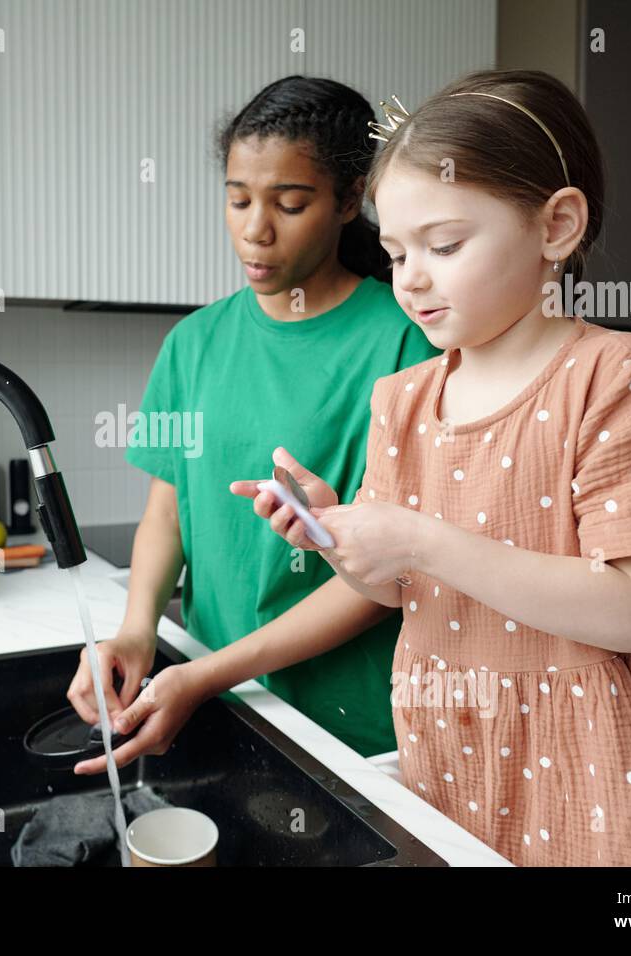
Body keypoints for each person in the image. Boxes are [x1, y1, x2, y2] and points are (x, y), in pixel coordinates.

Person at [244, 69, 631, 866]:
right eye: (397, 251)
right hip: (453, 757)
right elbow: (398, 588)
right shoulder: (400, 401)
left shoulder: (617, 375)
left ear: (557, 227)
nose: (410, 277)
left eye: (444, 246)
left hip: (589, 768)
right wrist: (336, 533)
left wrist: (417, 538)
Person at [66, 75, 439, 769]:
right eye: (237, 199)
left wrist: (209, 673)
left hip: (351, 734)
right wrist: (137, 629)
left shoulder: (404, 343)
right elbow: (169, 510)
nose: (254, 228)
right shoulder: (194, 342)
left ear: (349, 201)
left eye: (289, 203)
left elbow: (391, 576)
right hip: (210, 705)